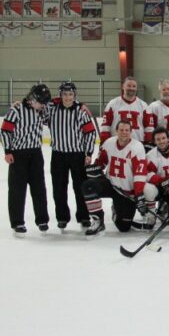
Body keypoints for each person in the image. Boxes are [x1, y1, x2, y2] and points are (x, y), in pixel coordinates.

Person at [0, 83, 51, 235]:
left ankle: (42, 220)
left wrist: (81, 105)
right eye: (40, 102)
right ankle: (17, 222)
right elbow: (5, 131)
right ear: (32, 98)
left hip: (36, 154)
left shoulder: (42, 110)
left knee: (39, 188)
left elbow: (59, 103)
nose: (43, 105)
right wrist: (8, 151)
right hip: (18, 154)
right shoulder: (16, 110)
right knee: (17, 189)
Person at [82, 120, 148, 237]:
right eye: (121, 130)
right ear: (116, 131)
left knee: (124, 227)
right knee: (88, 185)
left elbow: (140, 173)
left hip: (126, 192)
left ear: (131, 132)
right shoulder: (109, 143)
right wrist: (94, 168)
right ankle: (98, 220)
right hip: (110, 184)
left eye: (127, 130)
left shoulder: (137, 148)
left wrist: (138, 194)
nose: (124, 132)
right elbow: (101, 162)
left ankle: (115, 210)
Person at [45, 81, 97, 230]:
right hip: (58, 155)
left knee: (80, 187)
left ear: (75, 96)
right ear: (60, 95)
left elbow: (90, 133)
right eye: (64, 94)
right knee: (59, 188)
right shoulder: (52, 110)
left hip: (77, 155)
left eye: (70, 94)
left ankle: (83, 216)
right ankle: (62, 217)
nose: (67, 97)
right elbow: (39, 110)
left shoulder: (81, 112)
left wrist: (89, 153)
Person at [139, 127, 169, 229]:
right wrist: (161, 181)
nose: (161, 141)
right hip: (162, 188)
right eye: (158, 139)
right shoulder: (151, 155)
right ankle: (151, 217)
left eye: (163, 138)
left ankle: (165, 207)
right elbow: (147, 173)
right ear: (154, 141)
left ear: (168, 138)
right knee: (148, 189)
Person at [100, 77, 148, 143]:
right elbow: (105, 127)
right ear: (123, 87)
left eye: (134, 86)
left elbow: (148, 129)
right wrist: (105, 143)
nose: (131, 88)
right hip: (116, 144)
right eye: (129, 86)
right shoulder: (112, 104)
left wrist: (147, 144)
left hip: (138, 144)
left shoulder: (144, 106)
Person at [144, 79, 169, 144]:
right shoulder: (153, 106)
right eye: (163, 90)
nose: (166, 91)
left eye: (168, 89)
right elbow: (150, 129)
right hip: (161, 142)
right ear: (160, 92)